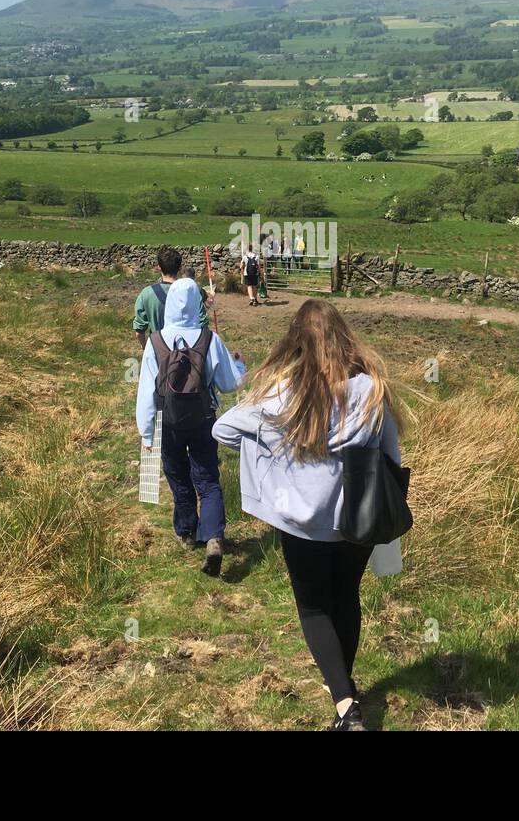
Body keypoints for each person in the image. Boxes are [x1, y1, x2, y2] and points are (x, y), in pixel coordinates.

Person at [213, 299, 403, 730]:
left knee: (314, 608)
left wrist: (269, 448)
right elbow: (391, 455)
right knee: (345, 597)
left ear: (295, 342)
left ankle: (344, 704)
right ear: (344, 338)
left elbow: (221, 429)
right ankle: (345, 686)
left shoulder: (282, 393)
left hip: (303, 524)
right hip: (360, 519)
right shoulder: (372, 388)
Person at [137, 278, 245, 576]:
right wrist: (239, 366)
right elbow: (227, 384)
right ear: (197, 304)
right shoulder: (210, 339)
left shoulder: (156, 341)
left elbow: (146, 391)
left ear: (170, 302)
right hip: (203, 419)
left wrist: (146, 433)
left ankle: (186, 531)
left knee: (178, 476)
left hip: (168, 421)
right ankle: (212, 537)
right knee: (208, 479)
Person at [134, 245, 209, 345]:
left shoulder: (146, 294)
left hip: (159, 351)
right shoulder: (191, 291)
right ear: (180, 268)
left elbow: (139, 332)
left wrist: (145, 348)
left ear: (159, 267)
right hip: (188, 351)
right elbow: (203, 324)